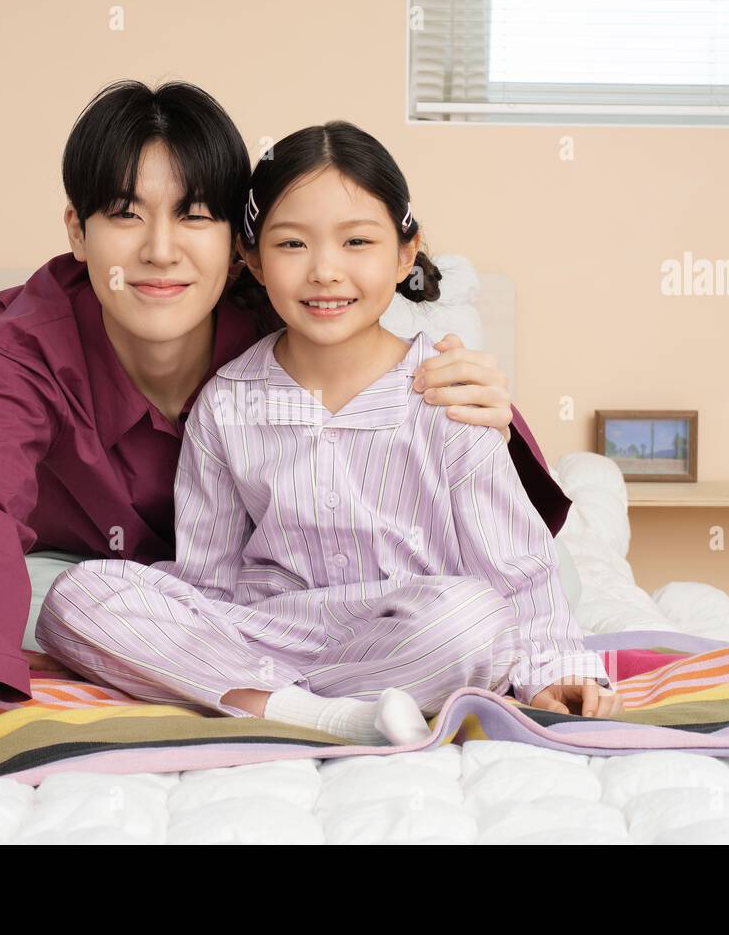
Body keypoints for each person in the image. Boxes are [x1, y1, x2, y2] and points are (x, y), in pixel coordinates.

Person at [0, 81, 573, 797]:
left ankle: (310, 691)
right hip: (203, 608)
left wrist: (484, 401)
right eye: (124, 215)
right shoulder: (19, 351)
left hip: (353, 611)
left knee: (496, 610)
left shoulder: (301, 311)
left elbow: (464, 474)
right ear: (77, 231)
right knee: (66, 600)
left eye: (195, 215)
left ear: (238, 245)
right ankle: (308, 708)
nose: (161, 251)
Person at [36, 121, 622, 749]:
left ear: (404, 254)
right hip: (261, 630)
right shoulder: (228, 402)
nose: (324, 271)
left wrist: (558, 667)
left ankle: (268, 704)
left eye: (357, 242)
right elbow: (206, 580)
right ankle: (316, 712)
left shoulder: (447, 393)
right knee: (78, 592)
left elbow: (513, 566)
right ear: (252, 259)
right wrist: (179, 632)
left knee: (475, 619)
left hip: (405, 629)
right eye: (292, 245)